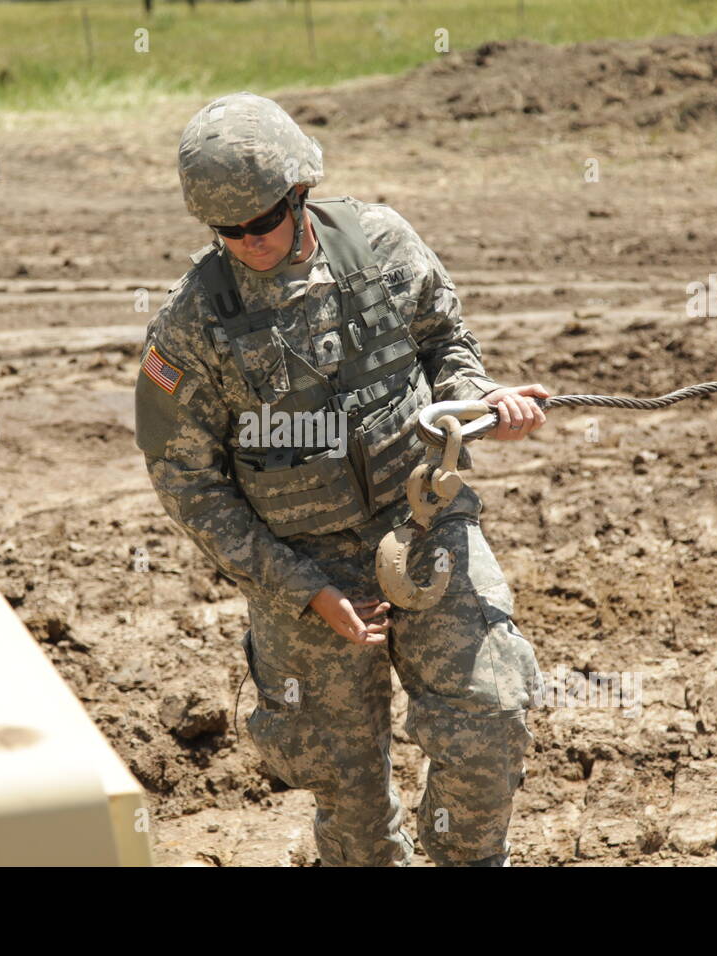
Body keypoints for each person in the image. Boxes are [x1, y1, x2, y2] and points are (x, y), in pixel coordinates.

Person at [134, 91, 550, 866]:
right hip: (307, 573)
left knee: (492, 715)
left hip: (423, 525)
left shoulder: (382, 244)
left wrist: (480, 403)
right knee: (351, 807)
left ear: (299, 192)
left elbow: (444, 343)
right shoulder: (192, 325)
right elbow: (188, 486)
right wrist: (300, 589)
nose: (250, 241)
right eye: (230, 231)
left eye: (265, 219)